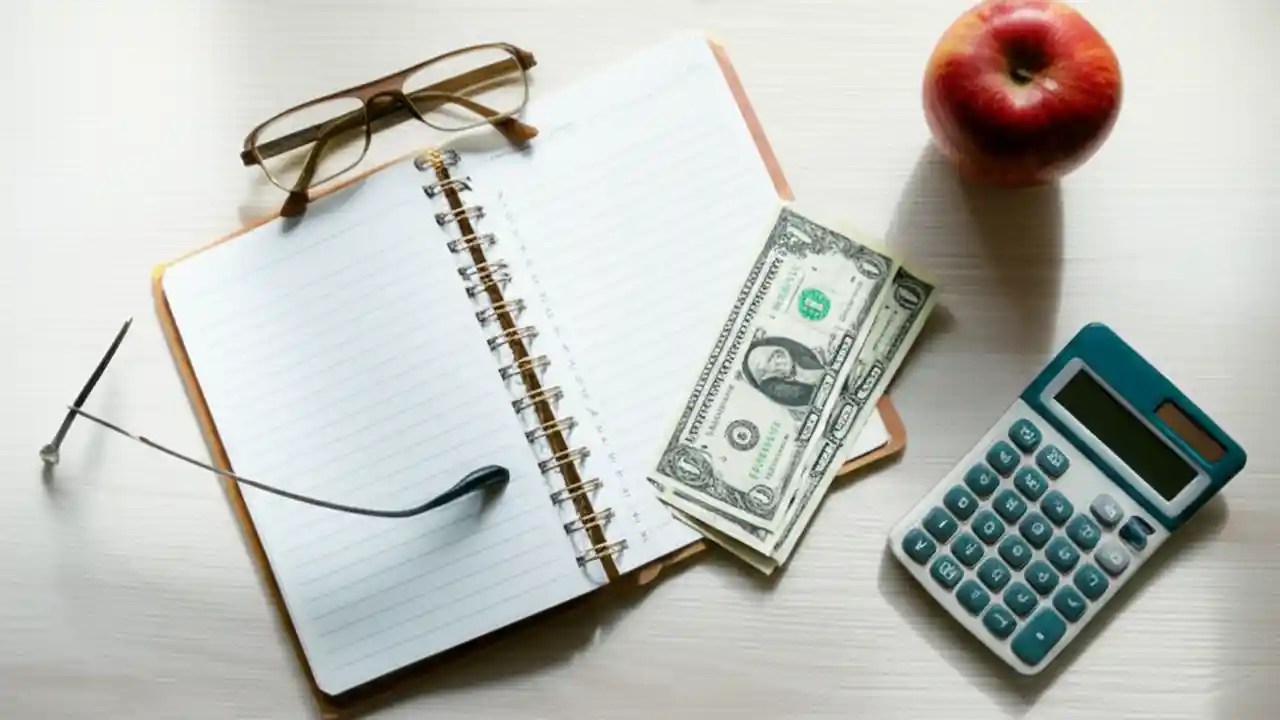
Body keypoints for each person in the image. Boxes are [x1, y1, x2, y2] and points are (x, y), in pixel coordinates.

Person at [741, 335, 828, 408]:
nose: (775, 361)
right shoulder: (798, 399)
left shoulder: (821, 354)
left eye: (774, 355)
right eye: (762, 371)